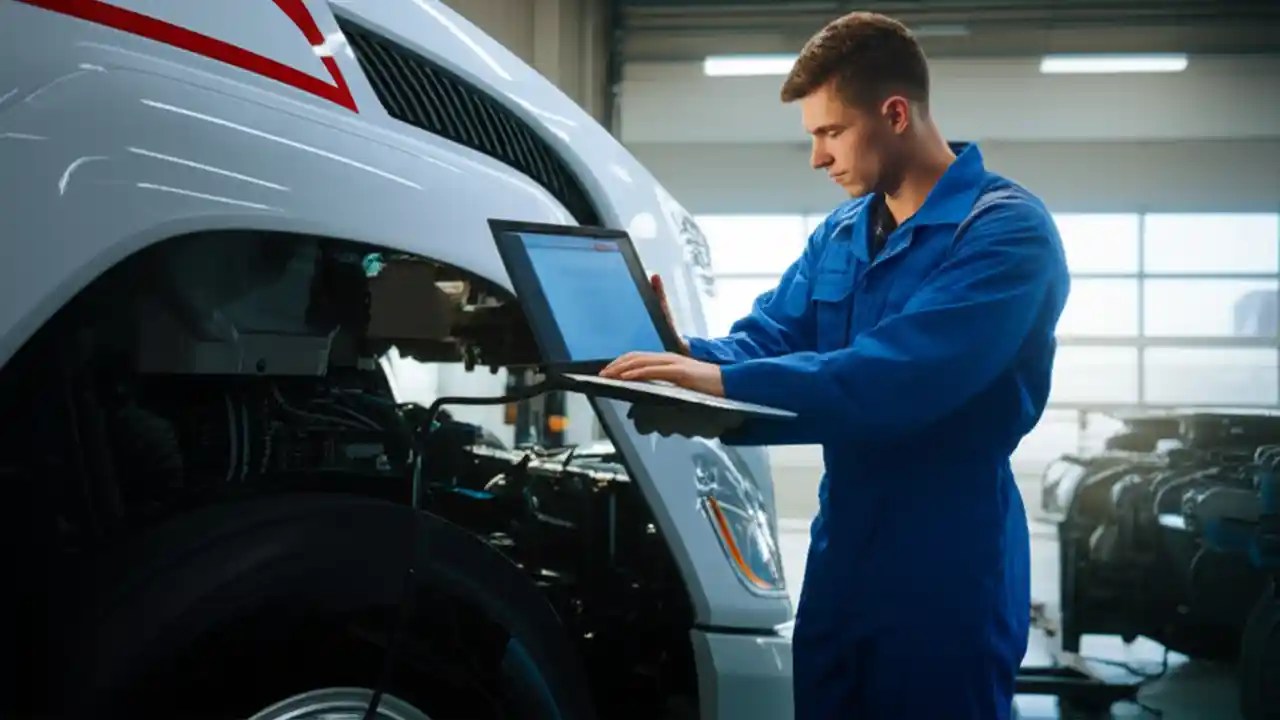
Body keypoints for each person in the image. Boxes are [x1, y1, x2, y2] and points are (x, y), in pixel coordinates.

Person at [601, 11, 1071, 720]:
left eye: (830, 132)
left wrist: (719, 385)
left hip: (949, 558)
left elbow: (896, 377)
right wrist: (681, 358)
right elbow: (768, 340)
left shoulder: (1007, 232)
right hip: (844, 550)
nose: (819, 157)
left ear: (894, 113)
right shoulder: (843, 231)